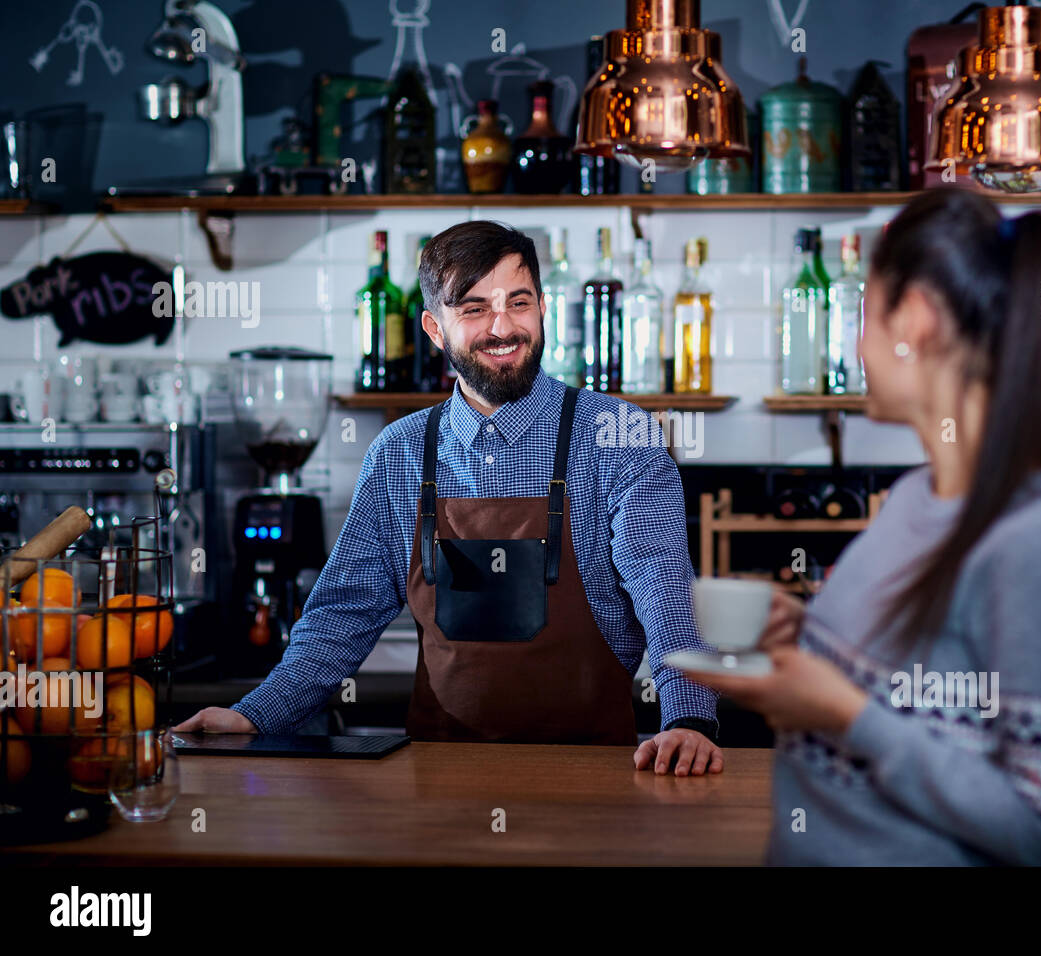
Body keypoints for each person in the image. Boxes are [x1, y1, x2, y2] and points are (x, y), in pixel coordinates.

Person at [178, 220, 723, 776]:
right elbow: (345, 610)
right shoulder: (400, 451)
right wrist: (255, 716)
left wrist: (690, 720)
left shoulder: (618, 435)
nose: (503, 326)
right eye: (474, 307)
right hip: (437, 776)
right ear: (435, 329)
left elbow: (667, 594)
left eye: (519, 301)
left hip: (595, 776)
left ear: (543, 307)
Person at [678, 188, 1041, 862]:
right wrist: (808, 633)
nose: (857, 343)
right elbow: (914, 684)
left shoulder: (1033, 543)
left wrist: (846, 717)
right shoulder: (916, 498)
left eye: (865, 313)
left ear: (912, 319)